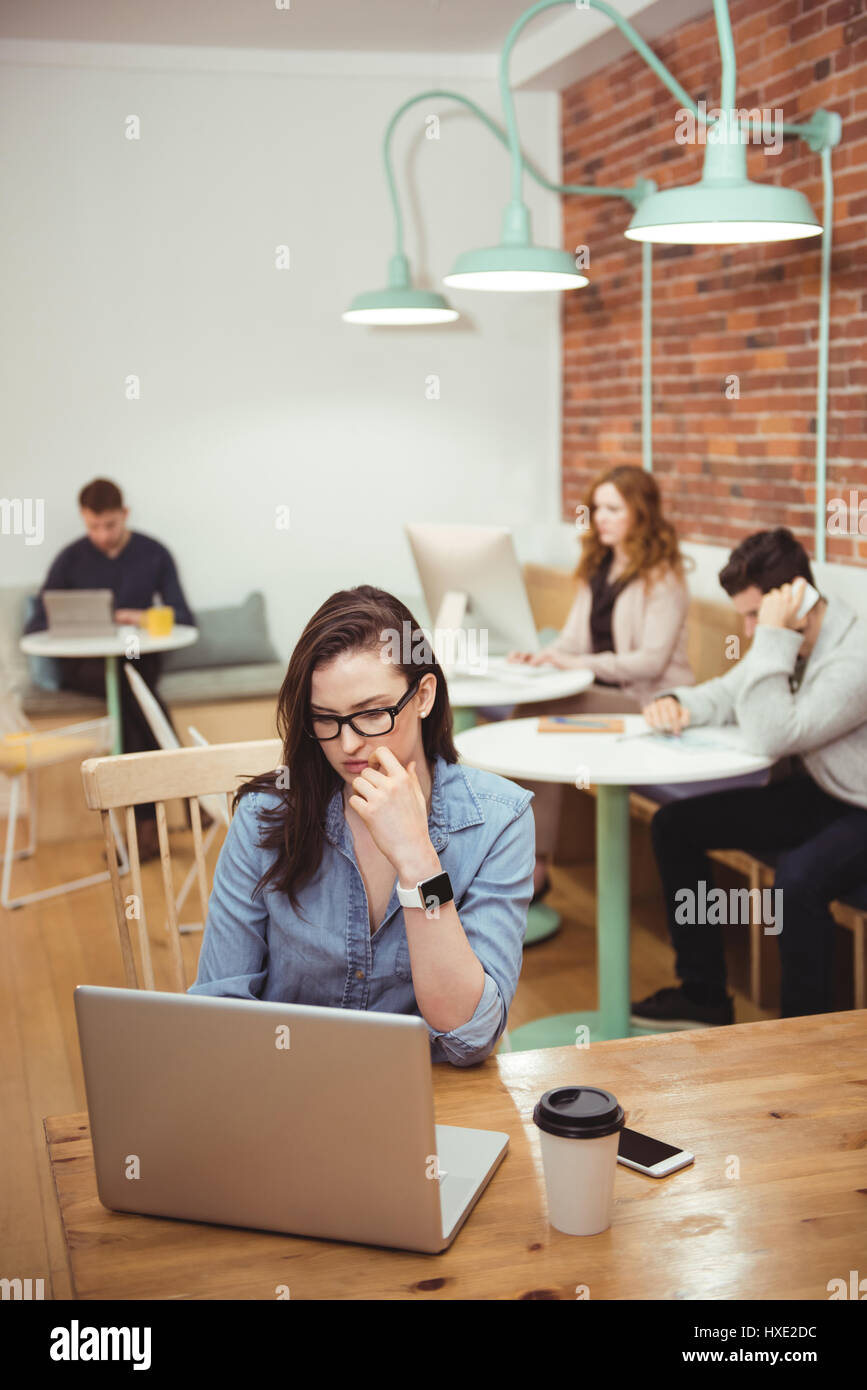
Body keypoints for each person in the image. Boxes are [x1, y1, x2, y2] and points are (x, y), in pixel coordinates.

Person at [189, 585, 536, 1067]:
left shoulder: (500, 820)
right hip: (284, 1089)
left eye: (372, 714)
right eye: (326, 719)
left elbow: (468, 1037)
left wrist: (418, 861)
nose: (349, 744)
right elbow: (218, 1014)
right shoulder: (264, 817)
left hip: (426, 1104)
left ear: (424, 696)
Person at [632, 527, 867, 1027]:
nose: (749, 627)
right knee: (674, 824)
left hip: (860, 805)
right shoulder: (783, 641)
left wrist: (775, 637)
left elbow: (769, 734)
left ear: (797, 597)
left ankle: (808, 1033)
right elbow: (726, 694)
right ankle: (703, 994)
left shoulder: (855, 654)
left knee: (796, 882)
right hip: (817, 793)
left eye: (756, 614)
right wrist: (678, 704)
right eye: (745, 615)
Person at [507, 464, 694, 899]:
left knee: (535, 715)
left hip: (652, 704)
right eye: (597, 508)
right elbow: (573, 639)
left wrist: (578, 664)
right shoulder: (599, 565)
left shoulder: (664, 577)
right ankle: (521, 858)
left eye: (613, 508)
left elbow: (649, 663)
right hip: (607, 694)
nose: (601, 517)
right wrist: (546, 656)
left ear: (641, 514)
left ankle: (535, 865)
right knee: (530, 711)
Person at [23, 477, 195, 859]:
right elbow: (36, 624)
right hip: (85, 670)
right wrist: (75, 623)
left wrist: (140, 617)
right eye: (93, 526)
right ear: (84, 520)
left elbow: (183, 616)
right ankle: (189, 792)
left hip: (136, 661)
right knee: (135, 697)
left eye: (110, 525)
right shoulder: (70, 558)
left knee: (130, 694)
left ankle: (141, 834)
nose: (102, 535)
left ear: (125, 515)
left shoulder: (153, 553)